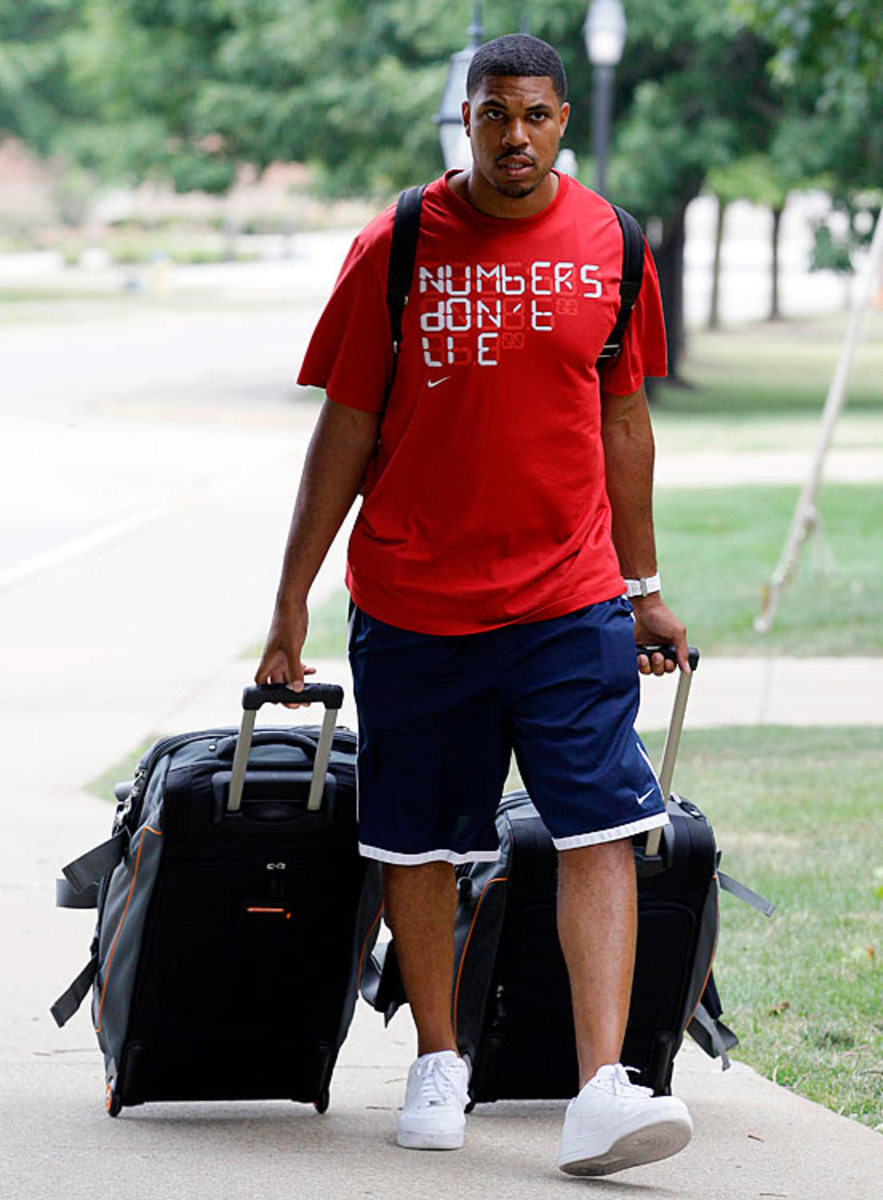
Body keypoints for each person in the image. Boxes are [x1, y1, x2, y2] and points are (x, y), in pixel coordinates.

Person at [256, 32, 693, 1177]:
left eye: (537, 116)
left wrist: (641, 590)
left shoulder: (613, 242)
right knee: (419, 842)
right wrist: (290, 603)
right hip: (417, 600)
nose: (515, 136)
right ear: (466, 116)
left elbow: (623, 422)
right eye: (494, 115)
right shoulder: (394, 245)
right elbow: (343, 430)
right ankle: (439, 1057)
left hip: (567, 597)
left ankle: (600, 1088)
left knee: (602, 823)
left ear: (562, 122)